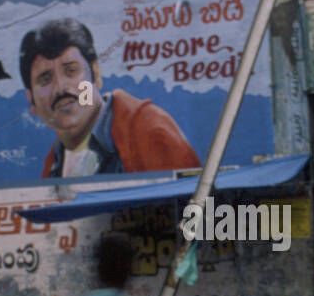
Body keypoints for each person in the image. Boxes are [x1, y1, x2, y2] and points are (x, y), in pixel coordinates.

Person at [20, 18, 201, 178]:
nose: (60, 88)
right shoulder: (55, 162)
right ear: (31, 100)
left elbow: (192, 207)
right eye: (45, 79)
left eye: (71, 70)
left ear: (96, 74)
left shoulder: (148, 131)